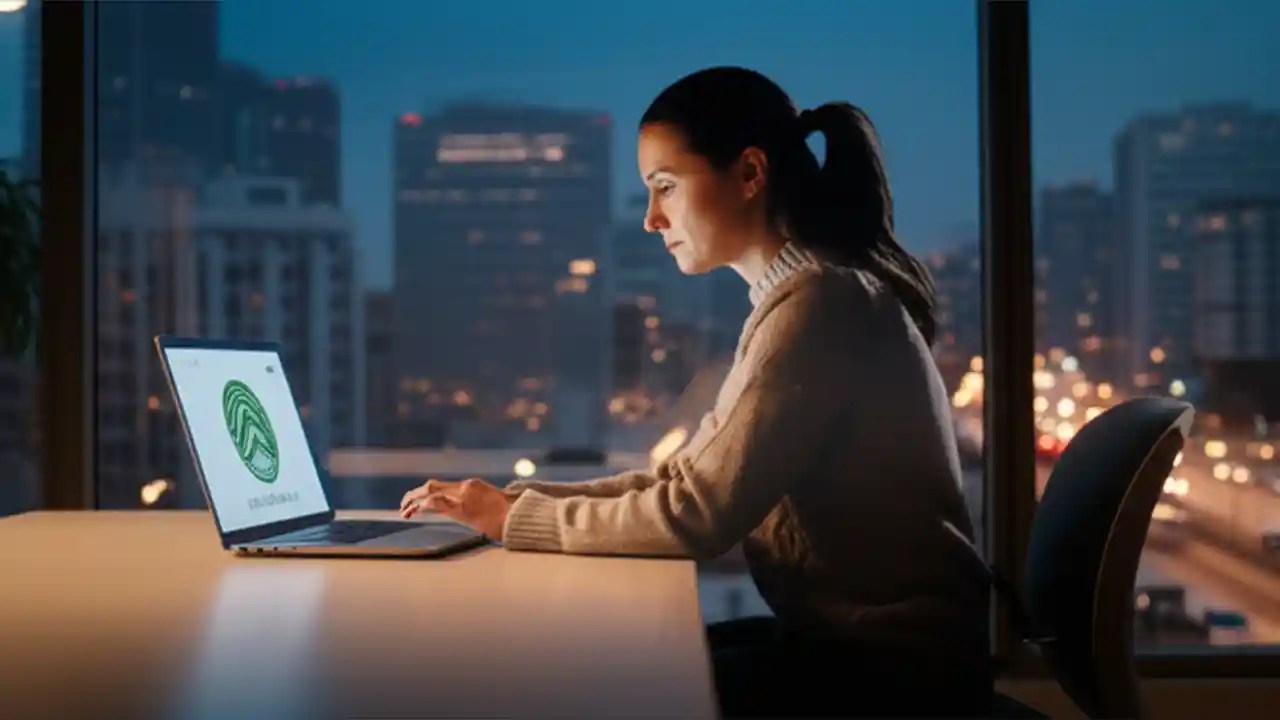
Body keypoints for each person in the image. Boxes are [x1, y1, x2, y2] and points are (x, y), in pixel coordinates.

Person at [399, 66, 993, 718]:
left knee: (603, 687)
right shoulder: (796, 300)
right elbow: (684, 478)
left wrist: (514, 520)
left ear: (749, 174)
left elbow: (697, 514)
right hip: (858, 648)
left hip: (896, 677)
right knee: (624, 670)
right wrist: (512, 505)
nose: (653, 219)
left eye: (665, 188)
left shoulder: (820, 305)